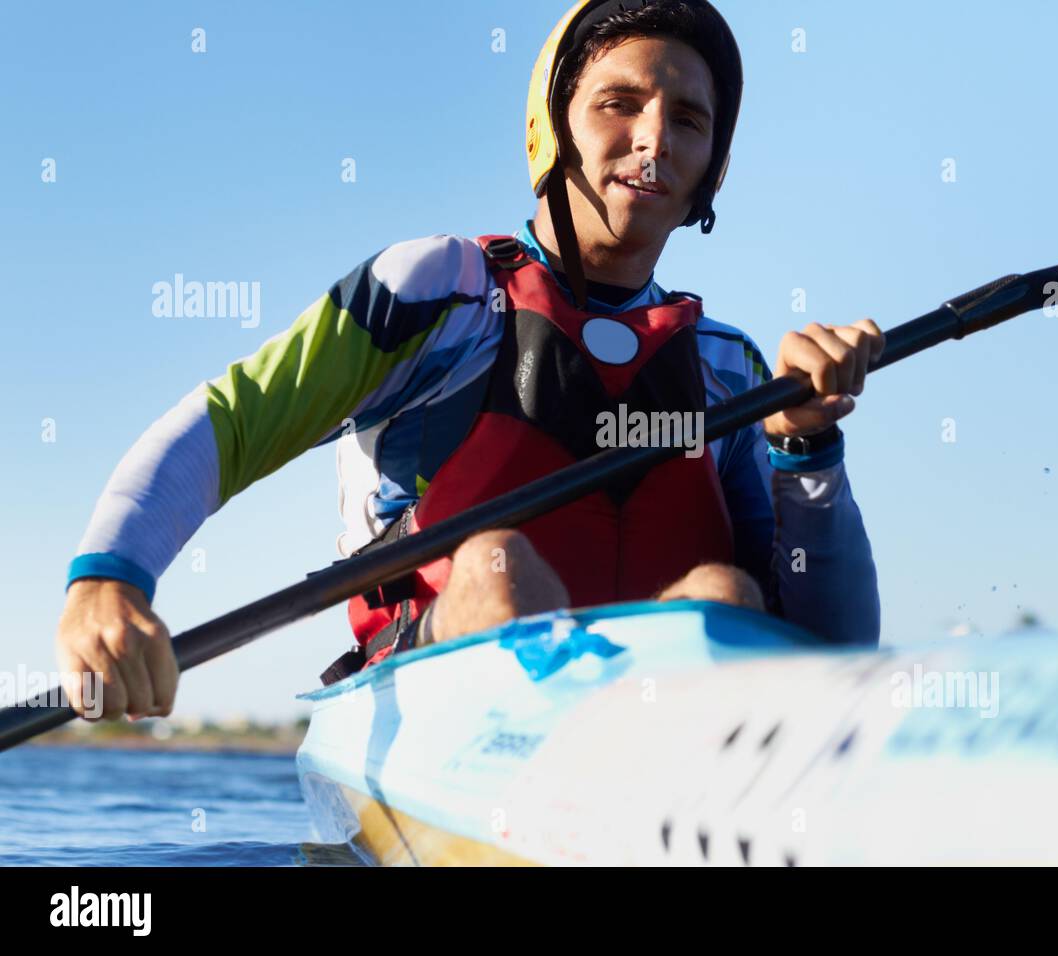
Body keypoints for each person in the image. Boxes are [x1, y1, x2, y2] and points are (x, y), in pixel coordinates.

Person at [55, 0, 883, 720]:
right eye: (619, 105)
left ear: (713, 171)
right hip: (432, 702)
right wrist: (110, 579)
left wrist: (807, 446)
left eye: (689, 120)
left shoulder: (725, 370)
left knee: (725, 600)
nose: (655, 140)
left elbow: (832, 646)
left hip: (664, 731)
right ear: (552, 129)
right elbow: (232, 422)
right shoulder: (434, 299)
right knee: (497, 564)